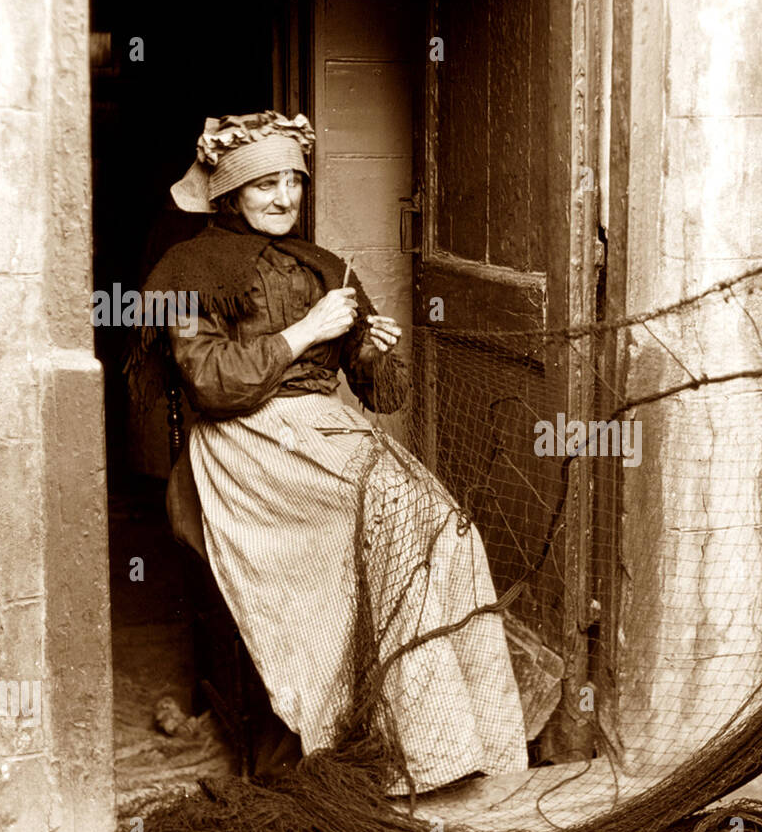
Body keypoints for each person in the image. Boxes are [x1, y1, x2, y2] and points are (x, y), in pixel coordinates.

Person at [139, 111, 529, 794]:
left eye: (294, 180)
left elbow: (384, 397)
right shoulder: (189, 268)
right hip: (242, 445)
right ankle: (345, 736)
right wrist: (303, 333)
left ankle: (441, 739)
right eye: (265, 185)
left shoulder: (324, 267)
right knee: (387, 517)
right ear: (231, 193)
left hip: (323, 429)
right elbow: (209, 382)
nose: (285, 198)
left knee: (443, 525)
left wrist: (378, 353)